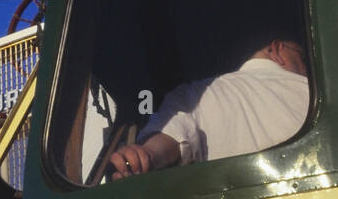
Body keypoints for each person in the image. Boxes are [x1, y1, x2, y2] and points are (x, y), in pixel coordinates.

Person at [109, 37, 310, 178]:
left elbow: (171, 134)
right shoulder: (313, 89)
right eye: (304, 60)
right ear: (276, 50)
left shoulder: (195, 95)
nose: (308, 70)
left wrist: (141, 157)